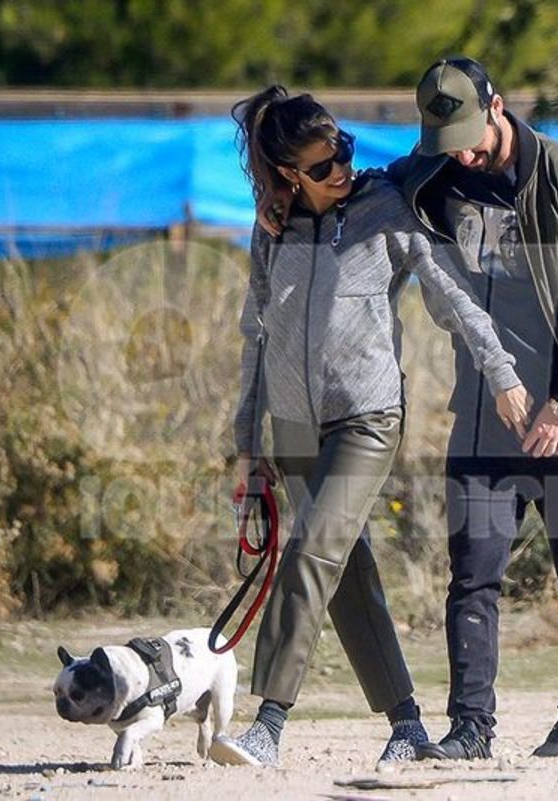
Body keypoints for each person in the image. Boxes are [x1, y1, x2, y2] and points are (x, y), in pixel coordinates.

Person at [258, 55, 558, 762]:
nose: (461, 151)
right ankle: (470, 728)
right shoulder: (427, 173)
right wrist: (282, 201)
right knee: (472, 576)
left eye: (469, 134)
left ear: (498, 106)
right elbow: (352, 190)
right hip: (486, 409)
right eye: (446, 140)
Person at [210, 85, 532, 768]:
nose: (343, 170)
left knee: (310, 551)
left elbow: (449, 295)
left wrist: (500, 370)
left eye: (345, 152)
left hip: (367, 416)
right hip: (293, 426)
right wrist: (247, 446)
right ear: (289, 175)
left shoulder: (382, 207)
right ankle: (407, 721)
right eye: (324, 166)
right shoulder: (272, 229)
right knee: (344, 574)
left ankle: (268, 721)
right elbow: (255, 338)